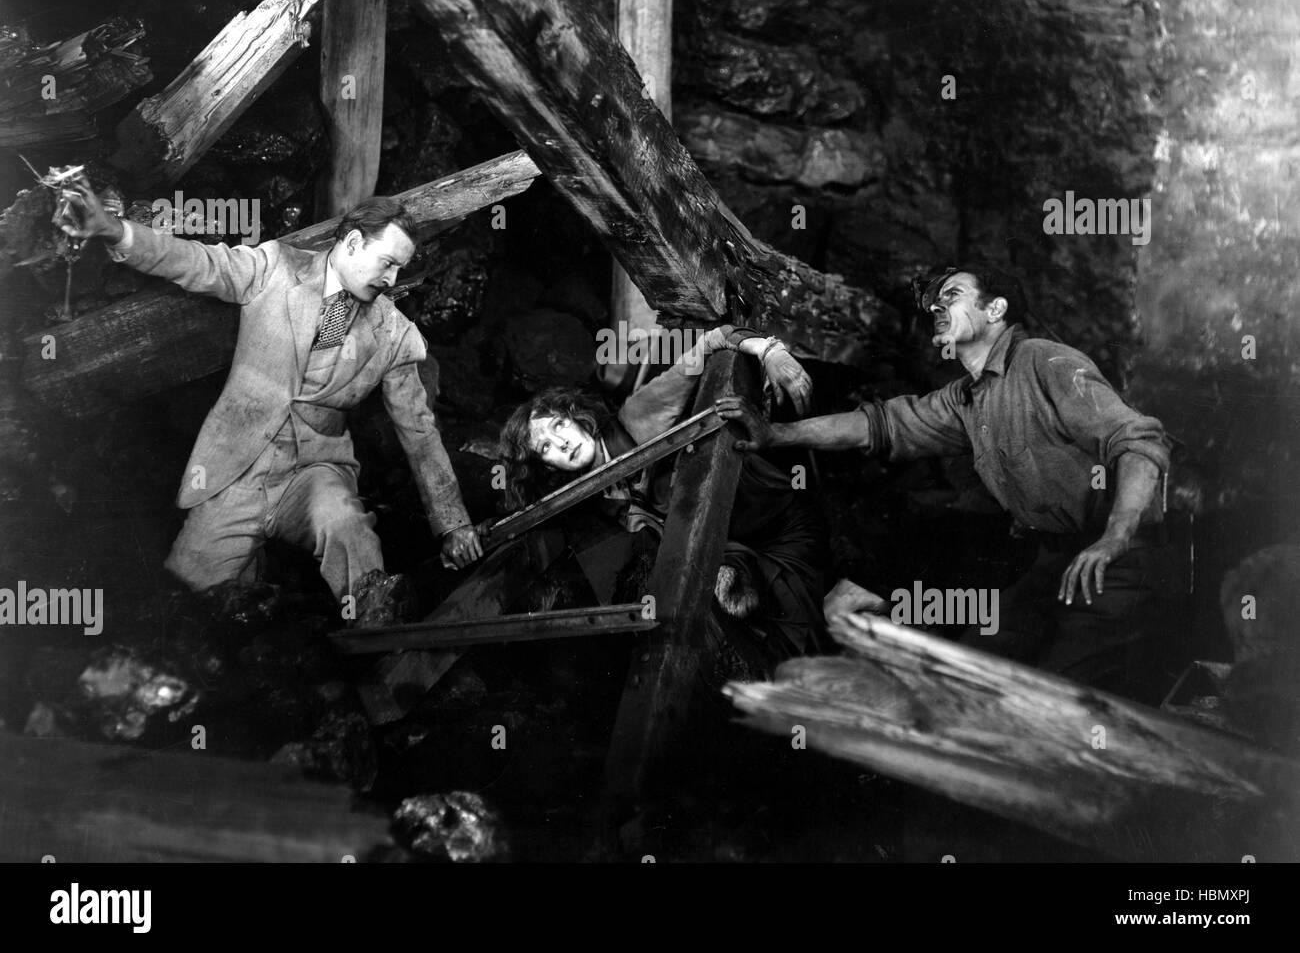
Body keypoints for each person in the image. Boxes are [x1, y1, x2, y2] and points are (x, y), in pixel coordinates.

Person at [717, 265, 1175, 698]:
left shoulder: (1044, 361)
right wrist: (776, 433)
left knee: (1062, 699)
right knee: (968, 674)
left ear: (995, 311)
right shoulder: (967, 398)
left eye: (952, 295)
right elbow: (881, 425)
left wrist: (1114, 538)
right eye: (934, 300)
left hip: (1122, 558)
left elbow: (1139, 442)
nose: (937, 305)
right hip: (1050, 559)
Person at [55, 180, 482, 626]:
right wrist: (111, 229)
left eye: (400, 269)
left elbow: (419, 431)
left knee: (344, 522)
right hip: (235, 472)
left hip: (315, 472)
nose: (393, 279)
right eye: (388, 263)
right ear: (354, 242)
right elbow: (194, 262)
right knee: (186, 604)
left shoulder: (396, 335)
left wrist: (452, 525)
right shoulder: (274, 267)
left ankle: (375, 628)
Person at [498, 326, 828, 667]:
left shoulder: (638, 415)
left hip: (776, 522)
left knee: (799, 645)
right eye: (545, 447)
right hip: (736, 550)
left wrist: (770, 351)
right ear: (544, 465)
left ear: (576, 416)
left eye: (559, 426)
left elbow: (713, 341)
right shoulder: (592, 500)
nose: (562, 443)